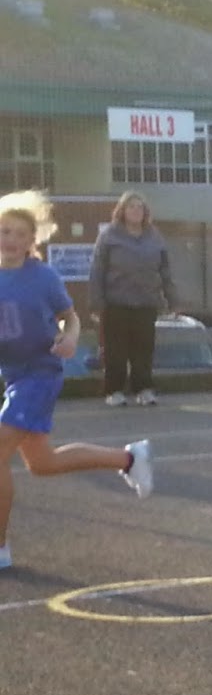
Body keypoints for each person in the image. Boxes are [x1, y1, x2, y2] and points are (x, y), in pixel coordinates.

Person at [0, 191, 153, 571]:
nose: (10, 239)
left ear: (32, 240)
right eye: (4, 231)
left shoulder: (42, 277)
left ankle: (0, 547)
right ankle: (129, 458)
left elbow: (70, 317)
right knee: (43, 463)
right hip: (14, 377)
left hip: (41, 374)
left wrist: (69, 338)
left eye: (19, 233)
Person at [89, 191, 176, 407]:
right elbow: (97, 270)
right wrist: (96, 301)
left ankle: (144, 389)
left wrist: (172, 298)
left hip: (146, 302)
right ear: (122, 210)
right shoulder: (109, 236)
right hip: (116, 303)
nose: (136, 211)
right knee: (115, 351)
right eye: (131, 207)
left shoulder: (154, 236)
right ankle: (114, 390)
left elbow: (165, 270)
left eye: (140, 207)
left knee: (143, 349)